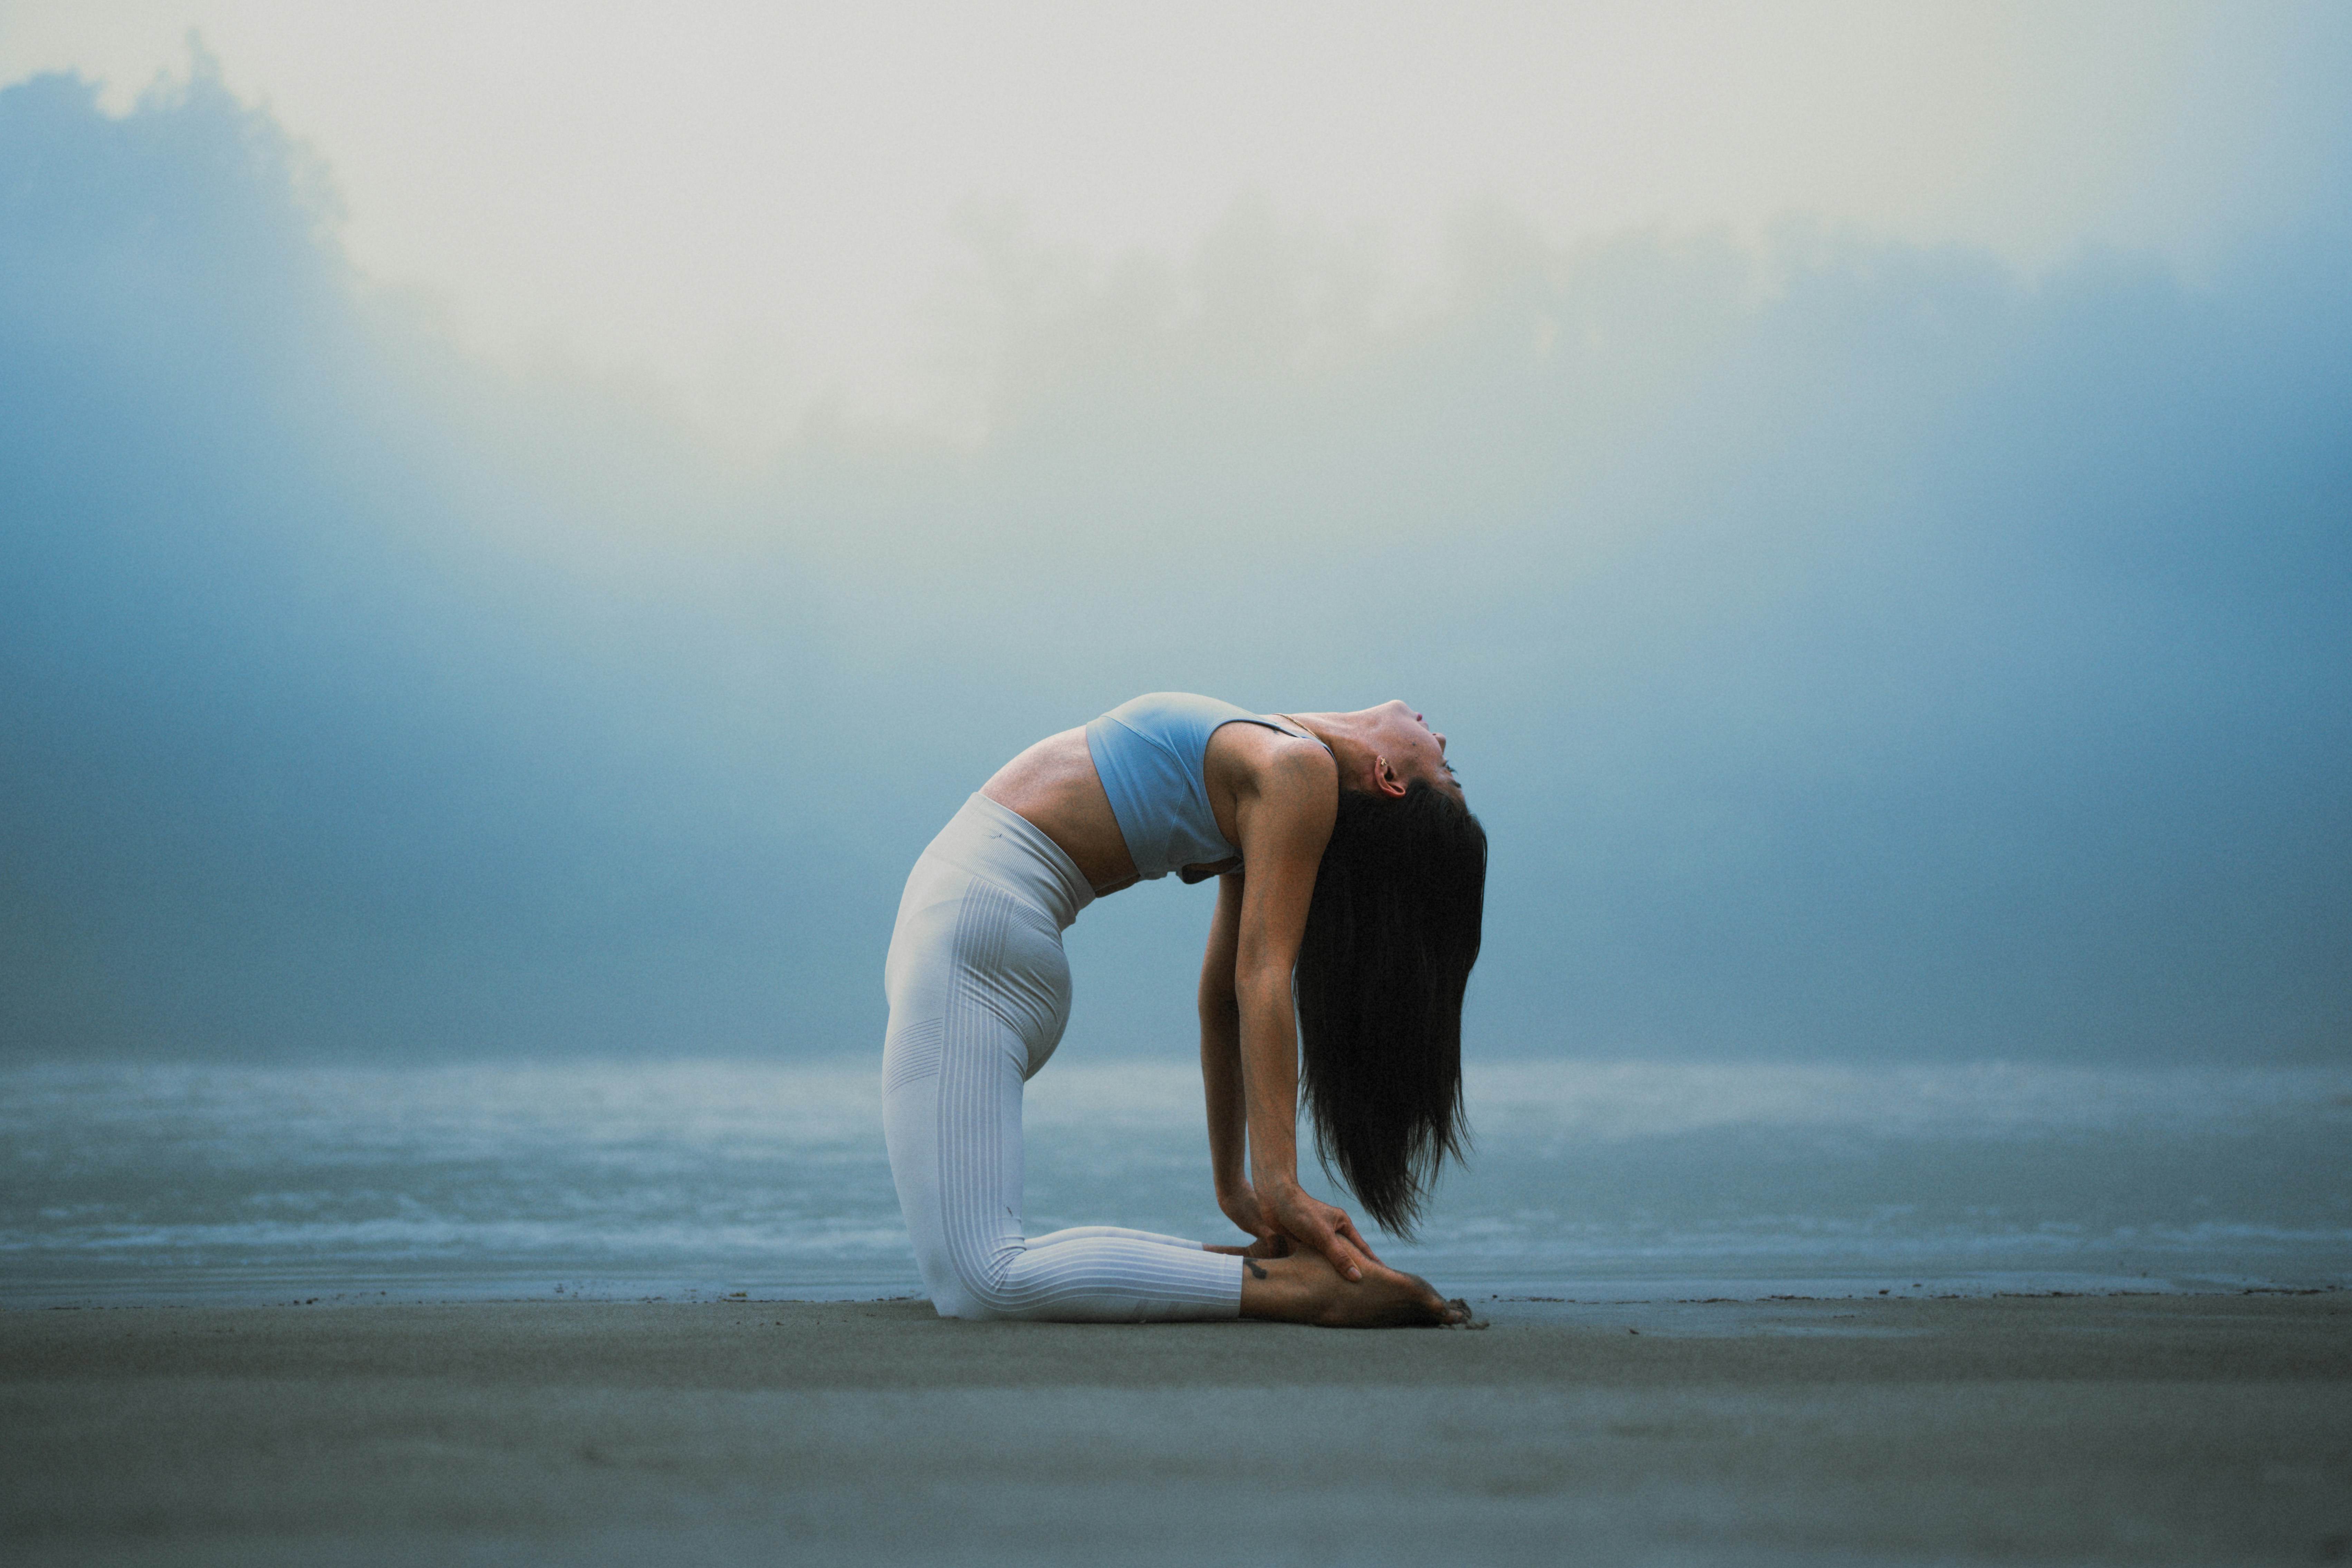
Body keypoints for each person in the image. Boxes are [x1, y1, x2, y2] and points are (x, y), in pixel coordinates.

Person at [881, 693, 1486, 1326]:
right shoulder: (1276, 755)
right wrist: (1235, 1188)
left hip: (976, 940)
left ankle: (1305, 1290)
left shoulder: (1298, 769)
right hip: (973, 938)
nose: (1441, 737)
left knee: (981, 1282)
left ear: (1388, 778)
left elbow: (1259, 977)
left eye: (1448, 773)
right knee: (972, 1271)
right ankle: (1282, 1277)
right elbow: (1220, 997)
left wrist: (1278, 1183)